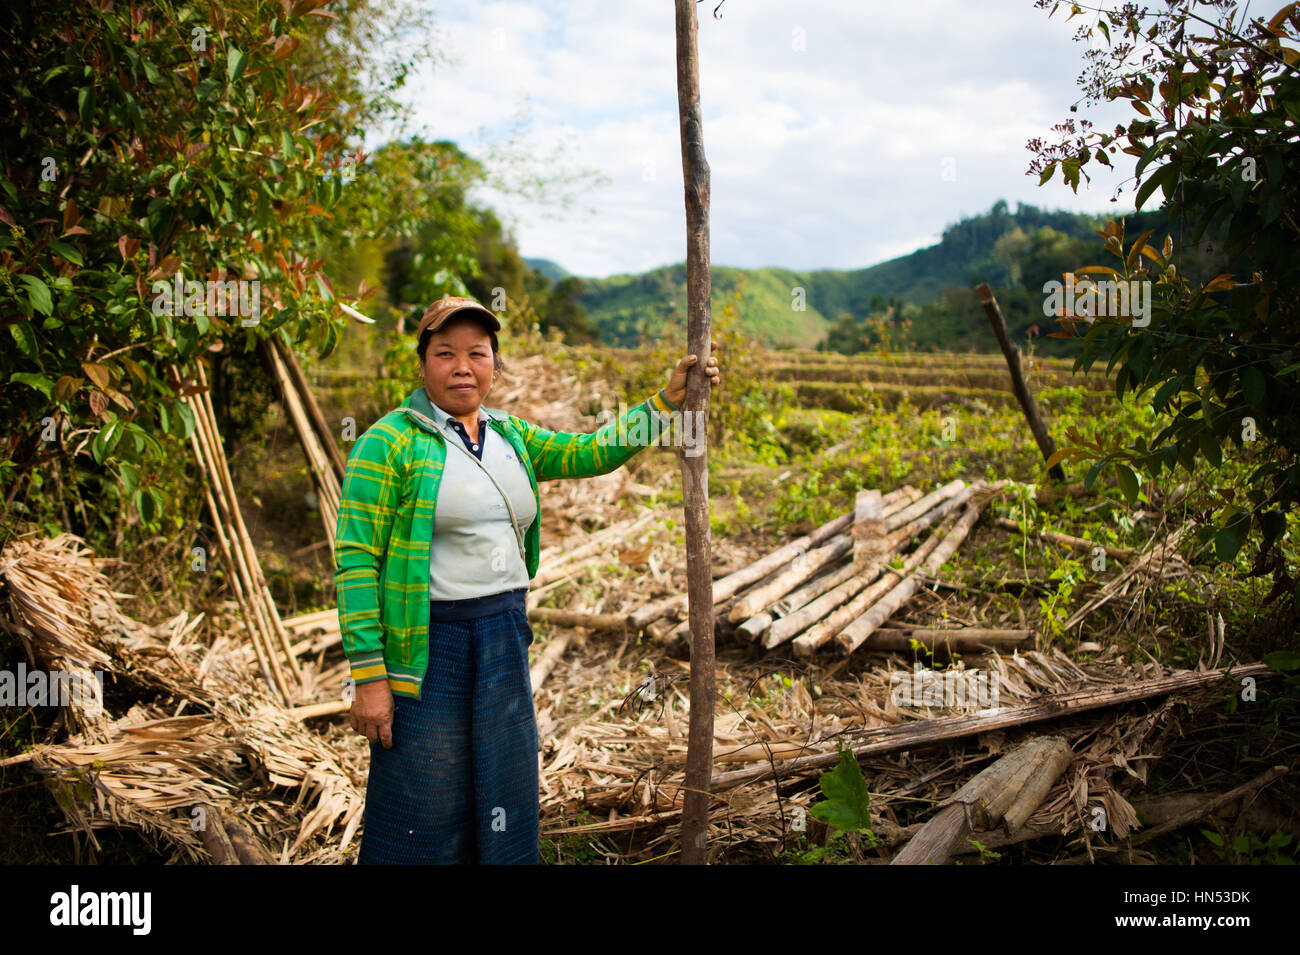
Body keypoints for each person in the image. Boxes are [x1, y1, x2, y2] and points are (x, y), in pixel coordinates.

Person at [334, 294, 721, 864]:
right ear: (422, 365)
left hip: (503, 635)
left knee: (503, 779)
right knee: (425, 788)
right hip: (427, 646)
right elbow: (356, 561)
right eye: (445, 354)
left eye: (478, 353)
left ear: (494, 364)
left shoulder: (510, 436)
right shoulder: (389, 442)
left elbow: (592, 452)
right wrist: (369, 677)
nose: (462, 366)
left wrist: (665, 400)